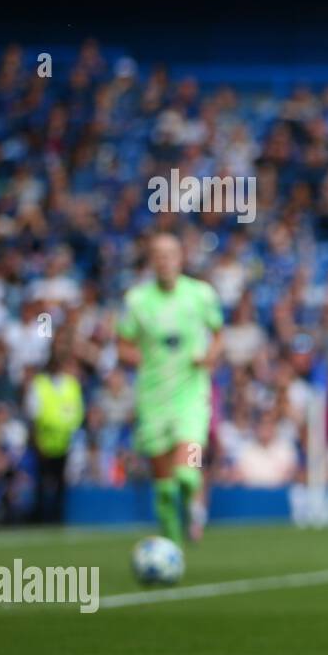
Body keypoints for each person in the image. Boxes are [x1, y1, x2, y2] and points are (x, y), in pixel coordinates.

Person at [117, 233, 223, 544]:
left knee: (188, 471)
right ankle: (172, 543)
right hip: (153, 397)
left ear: (181, 258)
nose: (165, 261)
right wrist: (145, 358)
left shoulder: (200, 294)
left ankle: (192, 504)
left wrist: (209, 356)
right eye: (158, 255)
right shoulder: (136, 301)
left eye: (170, 254)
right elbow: (123, 346)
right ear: (151, 260)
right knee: (163, 485)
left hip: (190, 395)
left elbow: (219, 335)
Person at [25, 347, 84, 524]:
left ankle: (57, 517)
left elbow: (77, 410)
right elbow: (33, 413)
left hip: (65, 441)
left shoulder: (71, 384)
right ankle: (40, 518)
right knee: (42, 483)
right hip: (45, 440)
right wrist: (37, 440)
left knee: (60, 483)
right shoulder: (40, 384)